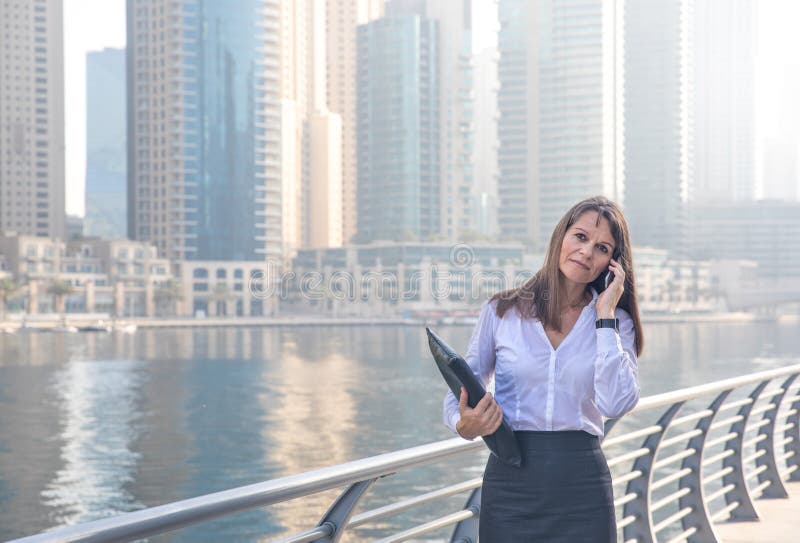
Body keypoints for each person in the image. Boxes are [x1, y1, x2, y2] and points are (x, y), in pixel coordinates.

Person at [443, 196, 643, 542]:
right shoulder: (501, 311)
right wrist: (465, 424)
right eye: (580, 237)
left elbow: (615, 404)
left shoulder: (614, 322)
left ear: (612, 263)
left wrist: (605, 315)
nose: (586, 252)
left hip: (583, 486)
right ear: (560, 236)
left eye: (601, 247)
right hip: (511, 485)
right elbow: (458, 392)